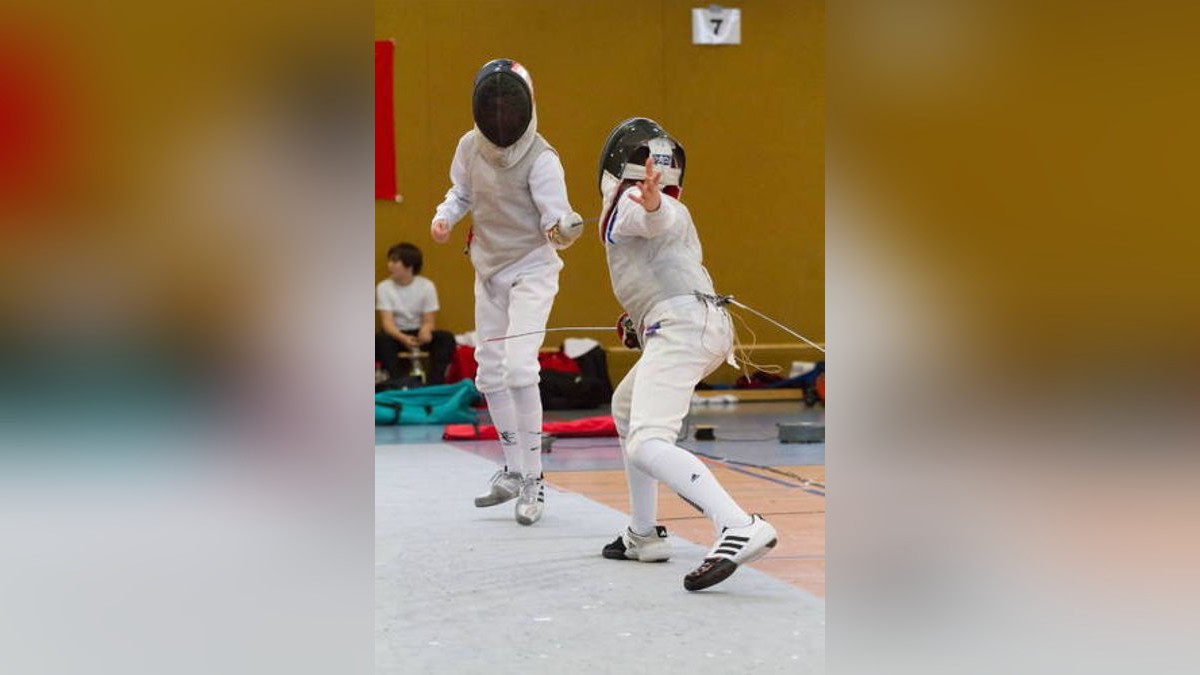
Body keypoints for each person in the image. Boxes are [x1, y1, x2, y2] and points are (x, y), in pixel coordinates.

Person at [595, 117, 778, 591]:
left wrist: (651, 203)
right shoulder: (673, 209)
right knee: (626, 406)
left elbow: (652, 217)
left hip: (683, 327)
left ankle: (737, 525)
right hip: (694, 323)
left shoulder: (634, 202)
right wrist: (637, 320)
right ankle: (643, 535)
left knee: (647, 441)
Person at [429, 58, 584, 525]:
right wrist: (445, 216)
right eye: (491, 104)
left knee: (520, 368)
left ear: (525, 105)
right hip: (489, 271)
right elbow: (460, 193)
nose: (499, 114)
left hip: (532, 272)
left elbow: (557, 223)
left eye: (506, 104)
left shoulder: (542, 159)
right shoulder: (469, 147)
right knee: (490, 375)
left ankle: (535, 480)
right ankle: (514, 470)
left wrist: (565, 228)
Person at [375, 242, 456, 385]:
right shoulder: (384, 287)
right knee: (380, 340)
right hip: (396, 335)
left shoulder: (427, 286)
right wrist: (403, 338)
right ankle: (399, 383)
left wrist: (425, 331)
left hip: (418, 333)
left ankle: (434, 383)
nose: (390, 265)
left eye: (395, 261)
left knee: (446, 338)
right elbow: (387, 323)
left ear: (409, 265)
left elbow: (429, 321)